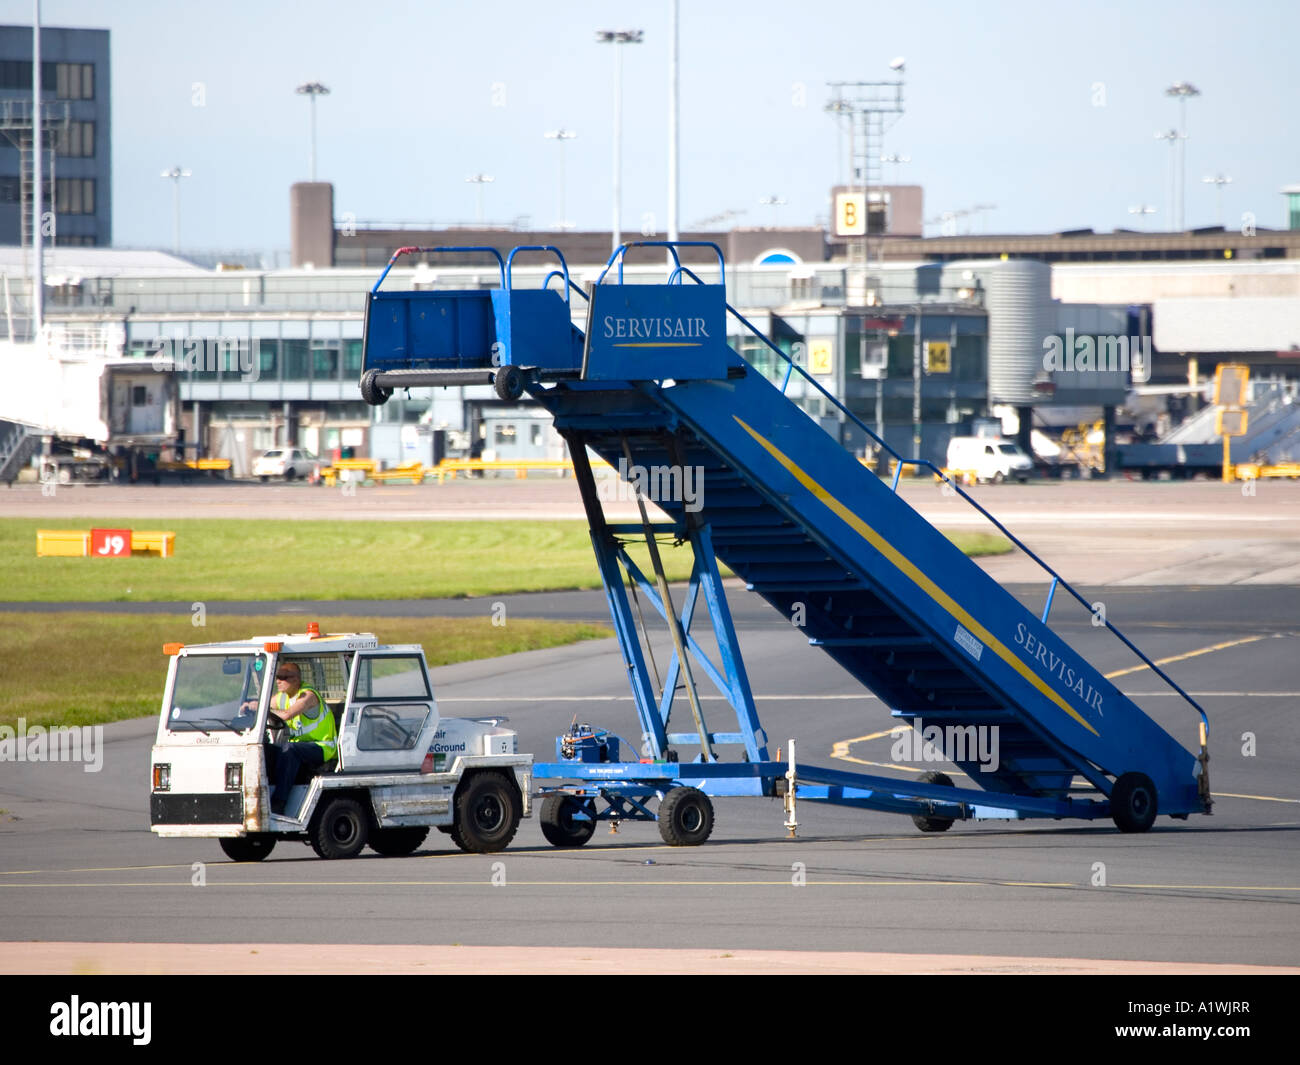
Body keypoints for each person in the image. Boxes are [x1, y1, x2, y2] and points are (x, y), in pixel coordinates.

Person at [264, 661, 337, 815]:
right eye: (278, 676)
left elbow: (287, 714)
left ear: (296, 679)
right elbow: (264, 704)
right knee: (265, 749)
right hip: (302, 746)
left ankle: (279, 802)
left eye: (284, 677)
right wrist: (251, 706)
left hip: (322, 747)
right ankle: (262, 795)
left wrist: (263, 711)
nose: (278, 680)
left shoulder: (308, 695)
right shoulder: (282, 697)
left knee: (289, 750)